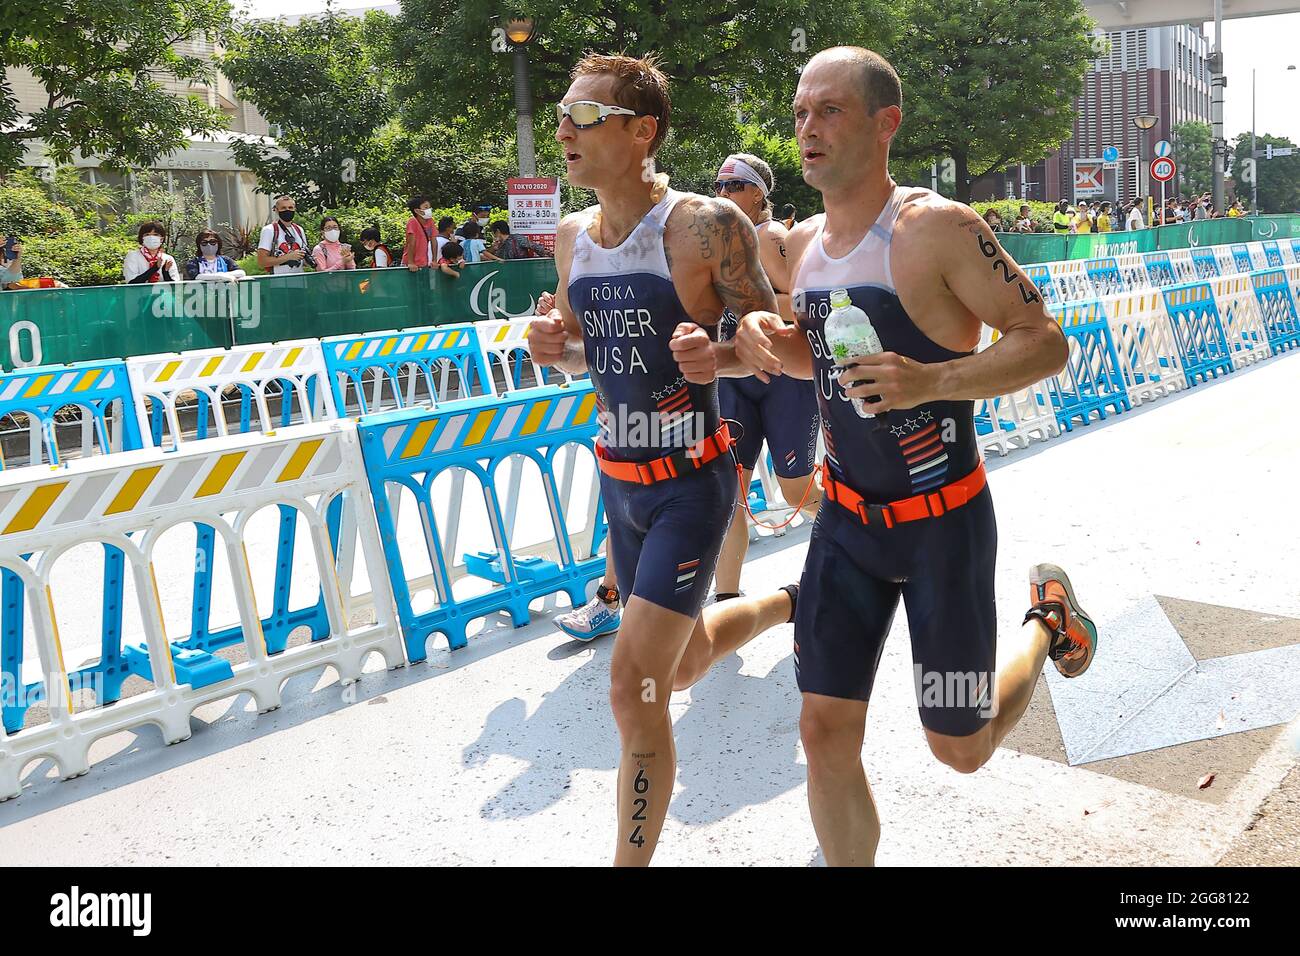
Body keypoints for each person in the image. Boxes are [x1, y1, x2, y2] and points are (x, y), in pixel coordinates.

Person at [732, 46, 1099, 867]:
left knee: (959, 748)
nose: (807, 128)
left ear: (885, 122)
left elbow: (1045, 344)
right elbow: (814, 356)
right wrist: (762, 340)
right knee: (824, 731)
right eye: (799, 112)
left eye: (829, 110)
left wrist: (932, 380)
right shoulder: (797, 245)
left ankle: (1050, 623)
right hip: (848, 526)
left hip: (944, 528)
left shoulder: (938, 227)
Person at [529, 52, 798, 866]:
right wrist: (556, 347)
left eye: (583, 117)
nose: (564, 132)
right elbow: (589, 353)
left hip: (691, 482)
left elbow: (772, 347)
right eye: (561, 117)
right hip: (619, 483)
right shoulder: (573, 237)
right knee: (678, 669)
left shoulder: (705, 225)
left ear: (640, 130)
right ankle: (795, 601)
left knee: (632, 686)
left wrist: (716, 353)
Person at [711, 152, 822, 603]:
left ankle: (862, 540)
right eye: (718, 186)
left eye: (733, 186)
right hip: (736, 376)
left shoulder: (769, 234)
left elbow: (804, 303)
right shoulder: (716, 241)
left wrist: (750, 310)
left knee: (796, 486)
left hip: (783, 377)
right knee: (730, 489)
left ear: (758, 193)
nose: (723, 195)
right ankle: (726, 599)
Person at [257, 196, 313, 275]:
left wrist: (310, 261)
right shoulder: (269, 230)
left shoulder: (299, 230)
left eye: (290, 207)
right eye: (283, 208)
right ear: (276, 210)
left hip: (300, 282)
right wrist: (288, 257)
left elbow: (303, 260)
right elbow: (261, 261)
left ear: (295, 209)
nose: (287, 210)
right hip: (277, 283)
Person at [402, 195, 437, 271]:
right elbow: (411, 243)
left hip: (423, 262)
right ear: (417, 210)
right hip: (410, 263)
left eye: (429, 207)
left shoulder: (430, 221)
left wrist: (434, 260)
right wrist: (411, 262)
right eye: (426, 207)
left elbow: (434, 240)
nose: (429, 209)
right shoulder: (412, 221)